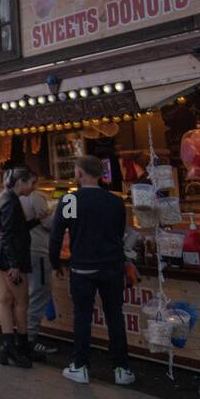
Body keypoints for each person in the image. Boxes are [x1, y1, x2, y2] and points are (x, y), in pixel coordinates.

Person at [49, 155, 135, 386]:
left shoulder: (70, 201)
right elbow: (120, 235)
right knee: (115, 315)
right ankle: (121, 368)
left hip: (83, 267)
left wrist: (55, 263)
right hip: (111, 266)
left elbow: (57, 235)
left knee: (83, 316)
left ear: (79, 174)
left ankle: (80, 365)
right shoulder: (115, 201)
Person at [0, 166, 39, 368]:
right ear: (21, 182)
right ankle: (21, 345)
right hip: (11, 258)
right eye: (31, 183)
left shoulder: (5, 197)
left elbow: (10, 229)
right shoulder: (11, 202)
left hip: (0, 255)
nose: (33, 187)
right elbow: (11, 234)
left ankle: (8, 346)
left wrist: (37, 220)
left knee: (6, 300)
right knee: (21, 302)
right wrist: (14, 264)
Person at [22, 184, 56, 356]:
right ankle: (30, 340)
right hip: (39, 251)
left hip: (24, 251)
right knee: (39, 293)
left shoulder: (14, 197)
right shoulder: (36, 197)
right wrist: (55, 213)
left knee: (29, 296)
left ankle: (24, 337)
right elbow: (50, 224)